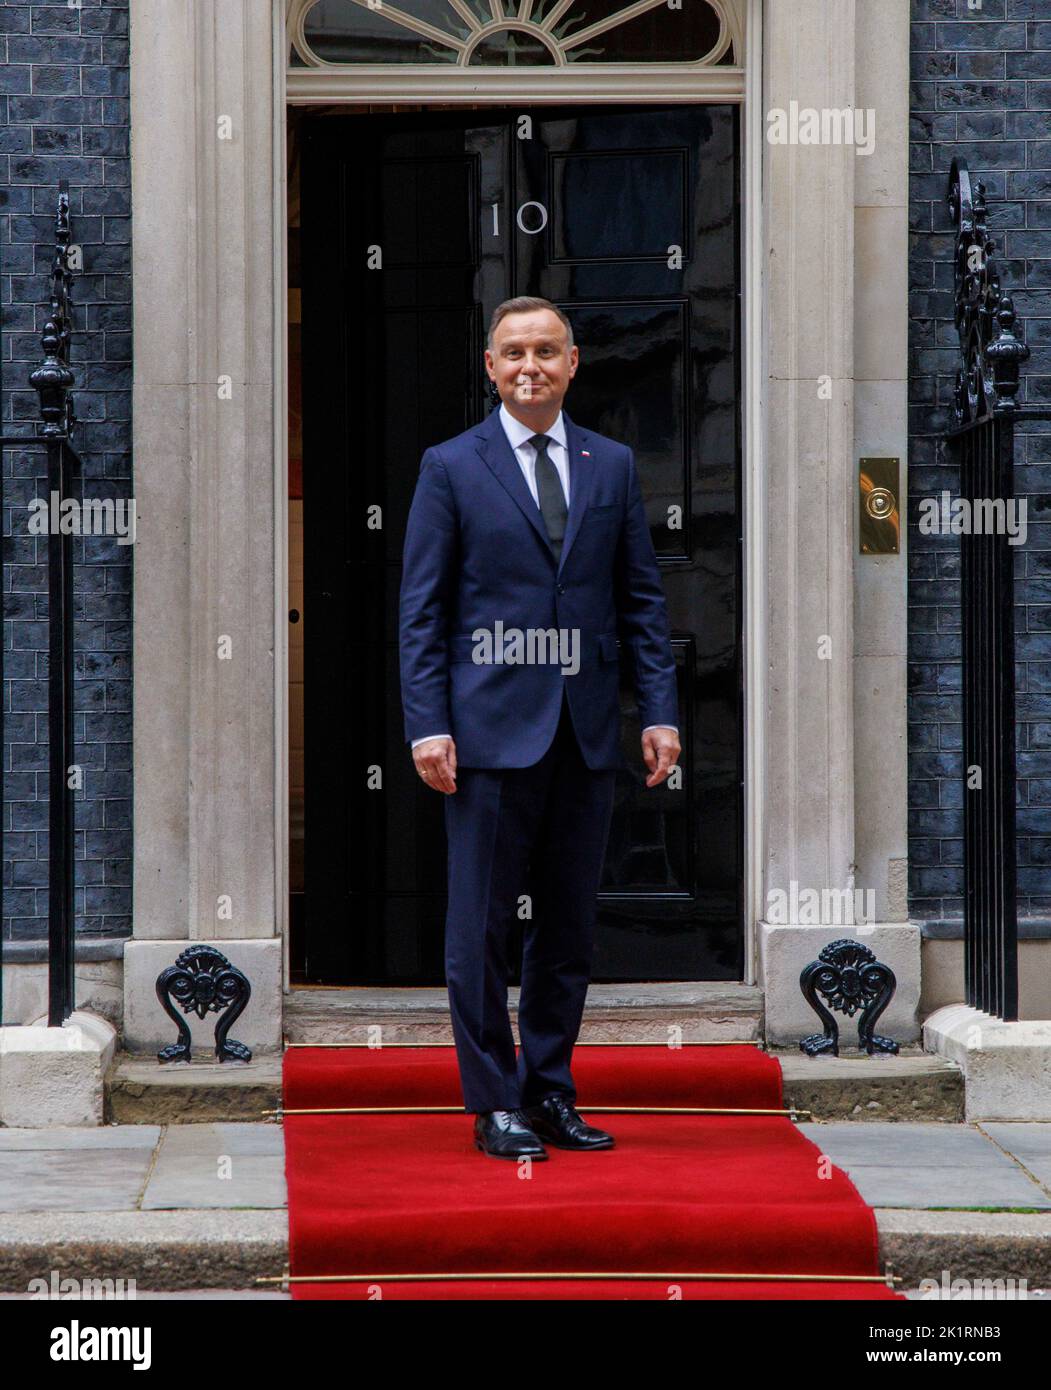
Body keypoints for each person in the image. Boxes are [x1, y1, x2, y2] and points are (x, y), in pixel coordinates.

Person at [398, 296, 680, 1160]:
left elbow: (640, 599)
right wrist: (426, 725)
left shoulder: (612, 465)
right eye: (514, 351)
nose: (530, 365)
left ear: (572, 363)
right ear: (490, 367)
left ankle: (549, 1089)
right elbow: (423, 610)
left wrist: (659, 710)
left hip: (586, 732)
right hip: (485, 734)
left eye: (546, 352)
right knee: (478, 928)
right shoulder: (450, 466)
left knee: (566, 928)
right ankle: (494, 1103)